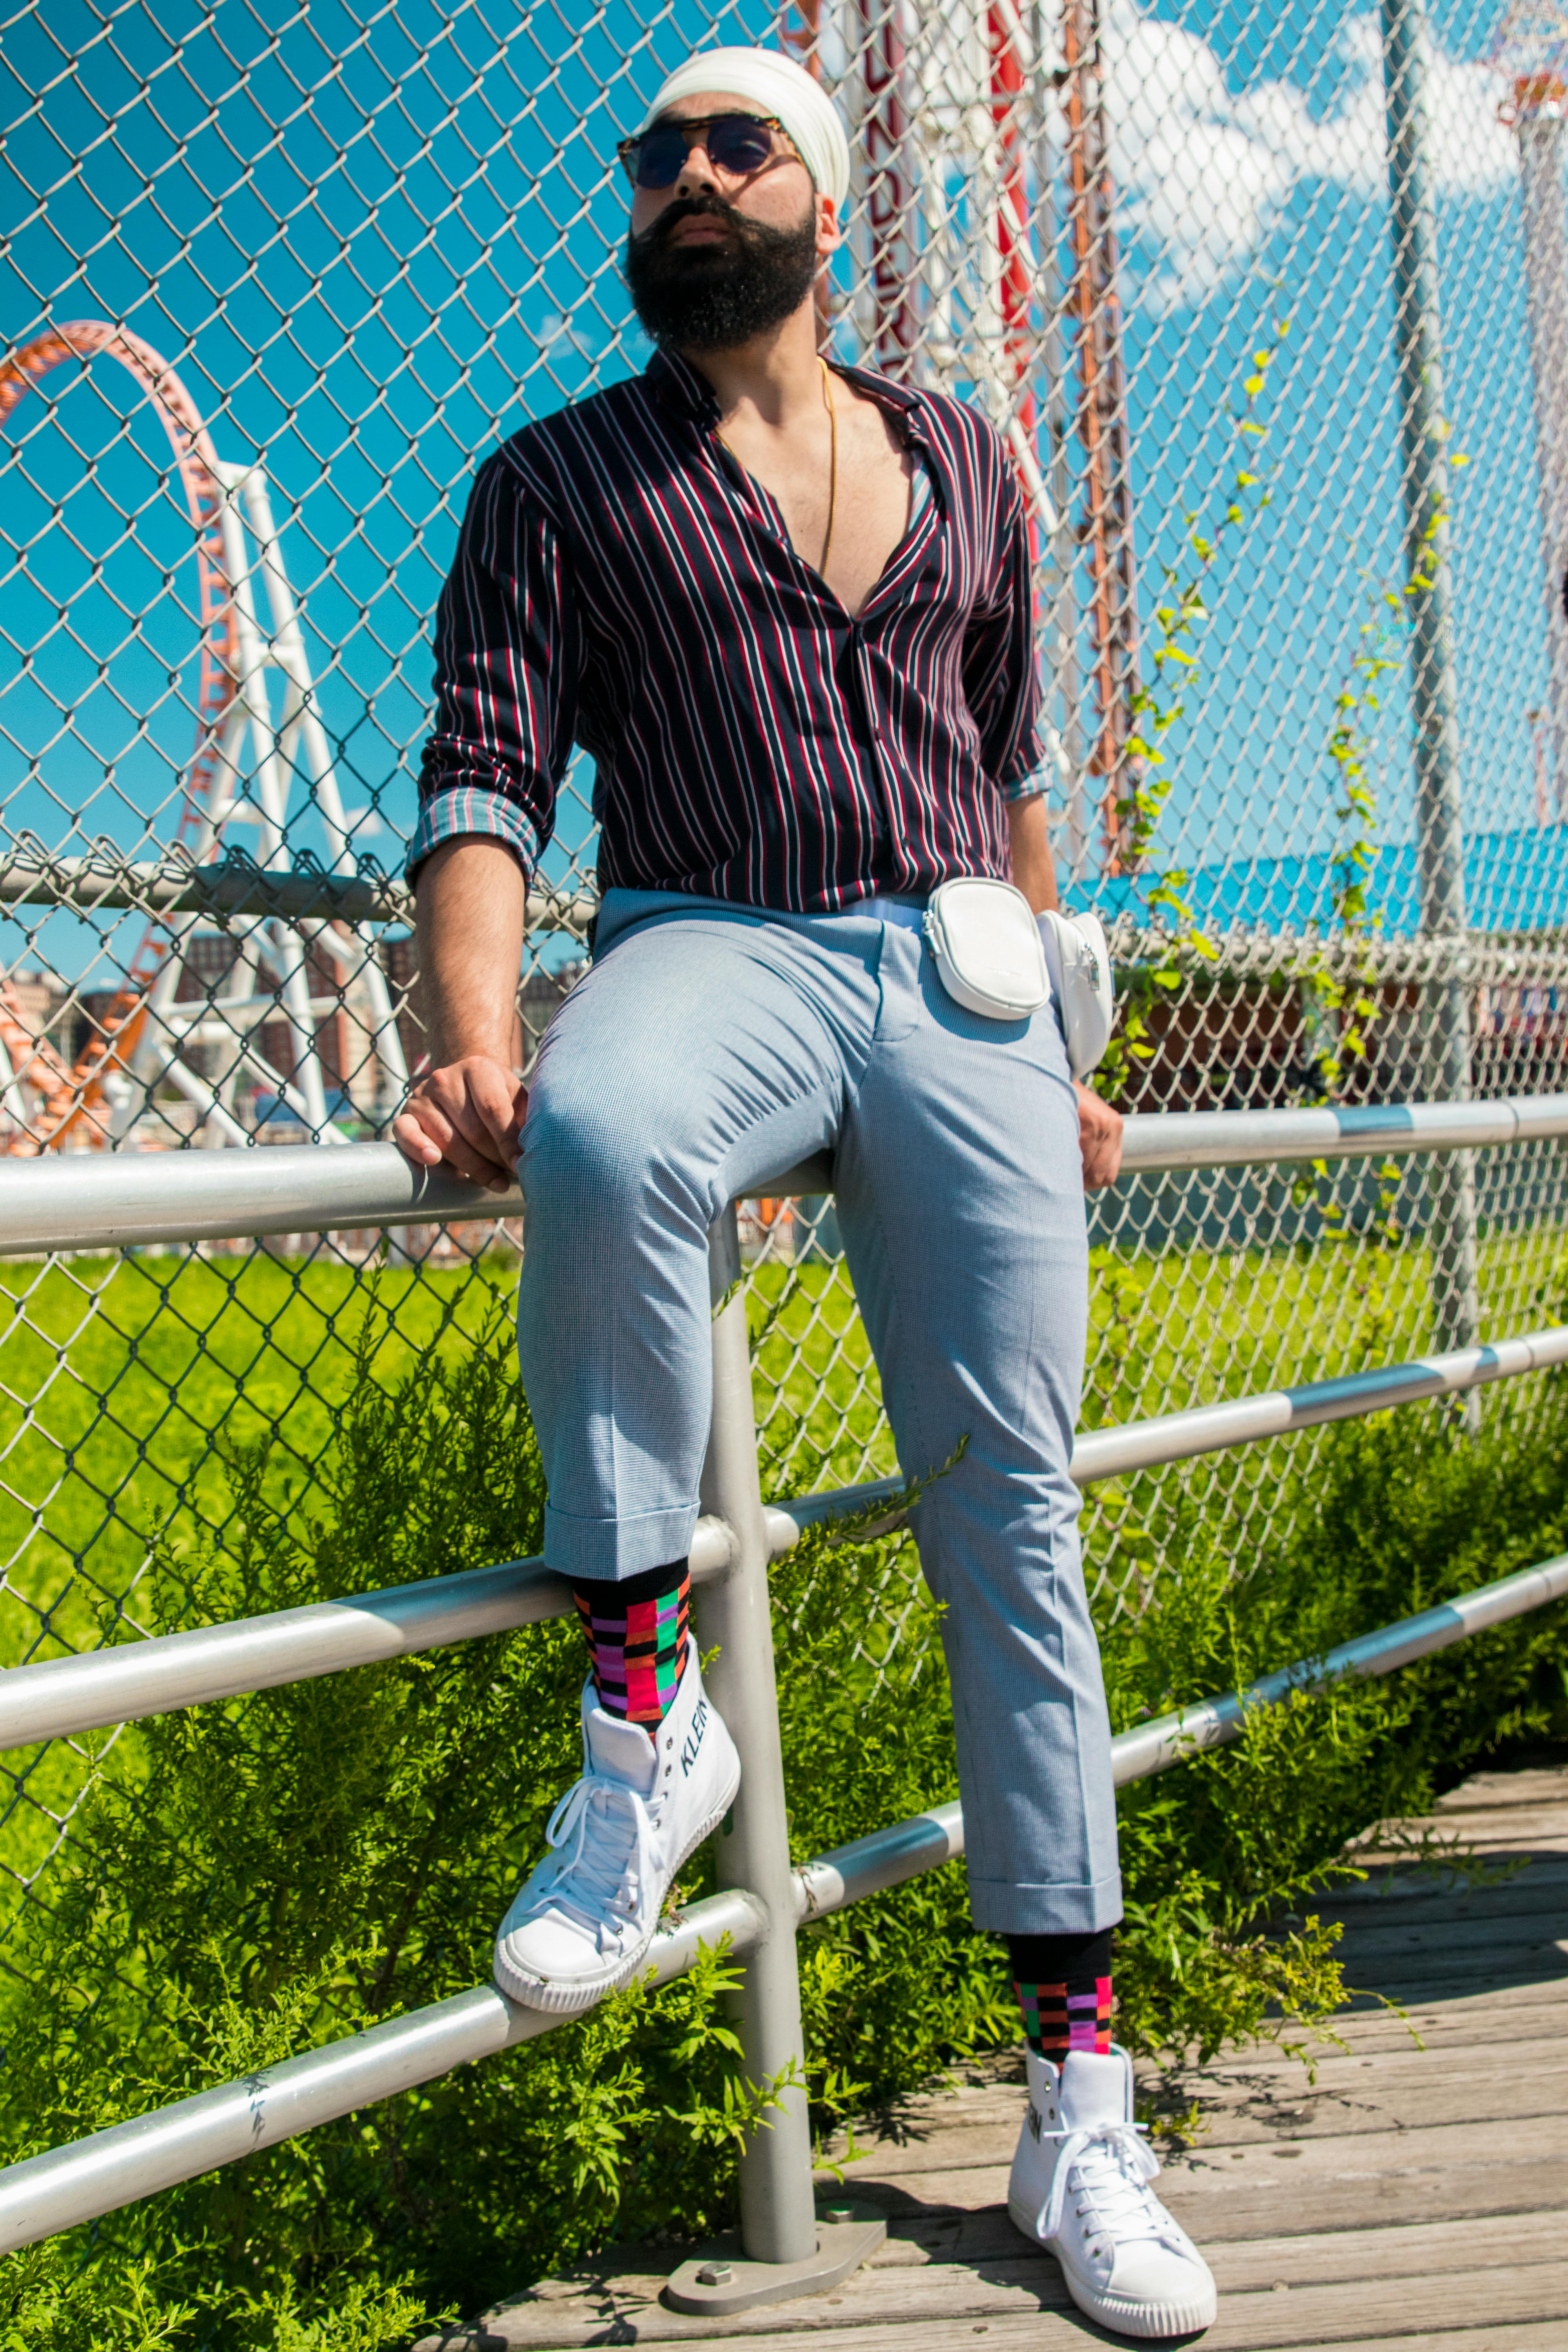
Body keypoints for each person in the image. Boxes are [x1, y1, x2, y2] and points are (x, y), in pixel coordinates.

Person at [394, 45, 1215, 2340]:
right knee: (597, 1127)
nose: (680, 179)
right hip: (712, 940)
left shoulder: (973, 455)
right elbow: (480, 779)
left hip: (966, 974)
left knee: (1014, 1510)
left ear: (825, 199)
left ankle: (1081, 2104)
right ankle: (646, 1724)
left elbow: (1012, 766)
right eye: (650, 156)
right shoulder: (554, 481)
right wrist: (471, 1028)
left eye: (730, 144)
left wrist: (1068, 1040)